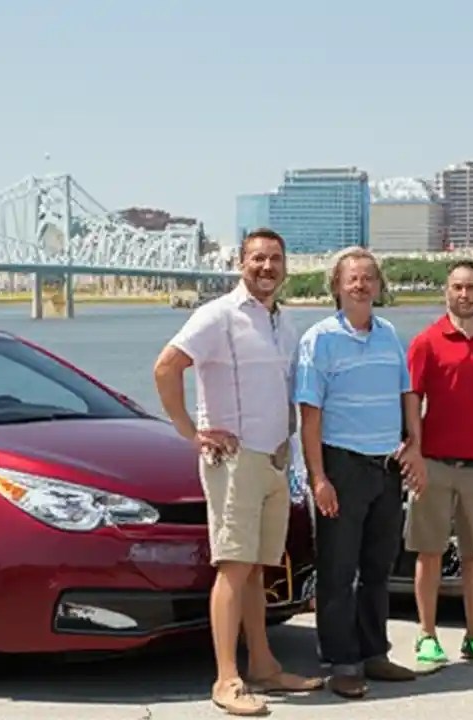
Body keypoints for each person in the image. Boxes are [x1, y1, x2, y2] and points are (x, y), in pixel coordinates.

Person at [152, 228, 323, 716]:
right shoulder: (217, 316)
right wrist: (192, 431)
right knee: (231, 567)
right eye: (257, 259)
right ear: (240, 264)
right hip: (235, 460)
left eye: (274, 259)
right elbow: (166, 368)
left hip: (273, 459)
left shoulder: (280, 323)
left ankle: (264, 666)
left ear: (285, 266)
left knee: (256, 569)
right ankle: (227, 678)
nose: (266, 267)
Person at [294, 246, 427, 699]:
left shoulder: (390, 335)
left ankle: (374, 652)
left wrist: (416, 446)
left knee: (377, 567)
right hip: (342, 464)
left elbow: (408, 395)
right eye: (352, 278)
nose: (361, 285)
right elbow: (308, 416)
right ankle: (340, 661)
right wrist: (318, 478)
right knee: (337, 569)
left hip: (385, 465)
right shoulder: (319, 339)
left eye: (369, 277)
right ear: (336, 285)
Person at [405, 260, 473, 666]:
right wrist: (413, 450)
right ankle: (426, 635)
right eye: (457, 287)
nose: (465, 295)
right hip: (433, 462)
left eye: (471, 287)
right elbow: (412, 400)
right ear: (446, 291)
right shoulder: (426, 342)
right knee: (429, 551)